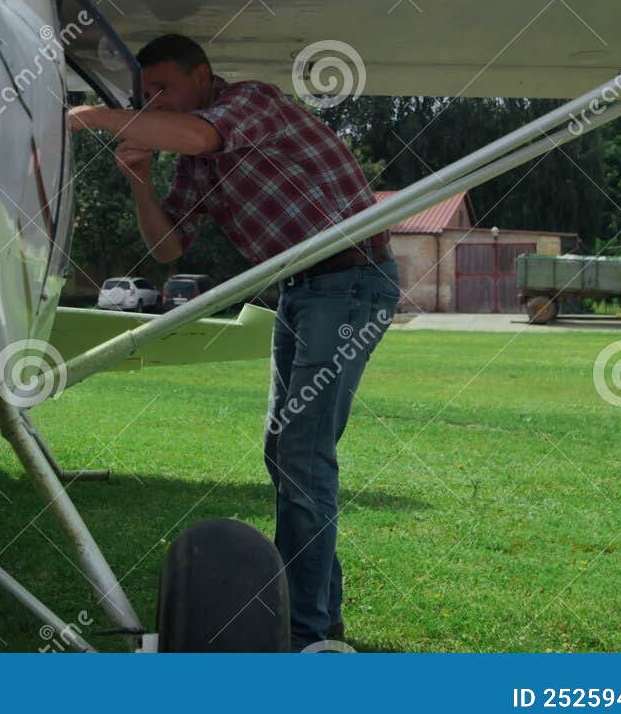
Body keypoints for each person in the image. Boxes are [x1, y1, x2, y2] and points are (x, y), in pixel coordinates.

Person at [68, 33, 400, 650]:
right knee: (285, 451)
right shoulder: (195, 163)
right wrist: (140, 181)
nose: (155, 102)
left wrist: (89, 116)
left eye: (164, 89)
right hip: (303, 290)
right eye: (146, 95)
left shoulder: (252, 103)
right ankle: (318, 617)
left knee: (303, 455)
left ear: (204, 76)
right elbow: (167, 247)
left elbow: (198, 134)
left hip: (353, 280)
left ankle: (305, 630)